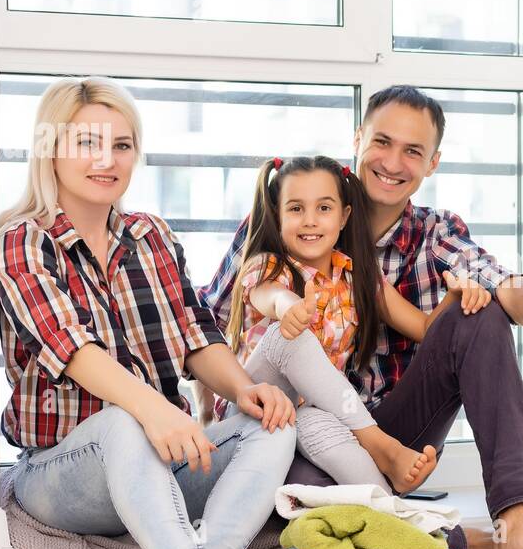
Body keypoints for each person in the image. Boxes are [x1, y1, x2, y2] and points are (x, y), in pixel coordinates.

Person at [200, 85, 523, 549]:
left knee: (479, 311)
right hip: (287, 428)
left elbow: (499, 289)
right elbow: (205, 325)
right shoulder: (284, 219)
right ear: (358, 139)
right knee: (309, 504)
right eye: (382, 142)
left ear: (432, 163)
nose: (392, 162)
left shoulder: (421, 239)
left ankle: (514, 529)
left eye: (413, 150)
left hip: (385, 435)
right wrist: (198, 418)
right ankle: (468, 541)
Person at [0, 76, 295, 549]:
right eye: (87, 143)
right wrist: (156, 410)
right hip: (62, 474)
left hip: (161, 462)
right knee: (122, 420)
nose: (107, 160)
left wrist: (246, 389)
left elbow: (195, 335)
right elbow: (73, 350)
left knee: (275, 424)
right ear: (50, 149)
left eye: (122, 145)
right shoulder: (22, 242)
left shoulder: (151, 235)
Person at [204, 153, 490, 491]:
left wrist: (455, 297)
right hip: (250, 409)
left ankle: (390, 508)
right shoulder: (268, 266)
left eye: (324, 208)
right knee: (291, 337)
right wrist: (287, 305)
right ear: (277, 216)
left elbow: (426, 330)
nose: (310, 221)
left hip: (301, 415)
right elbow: (267, 294)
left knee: (333, 441)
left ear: (344, 217)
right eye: (296, 209)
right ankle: (382, 445)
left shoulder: (358, 277)